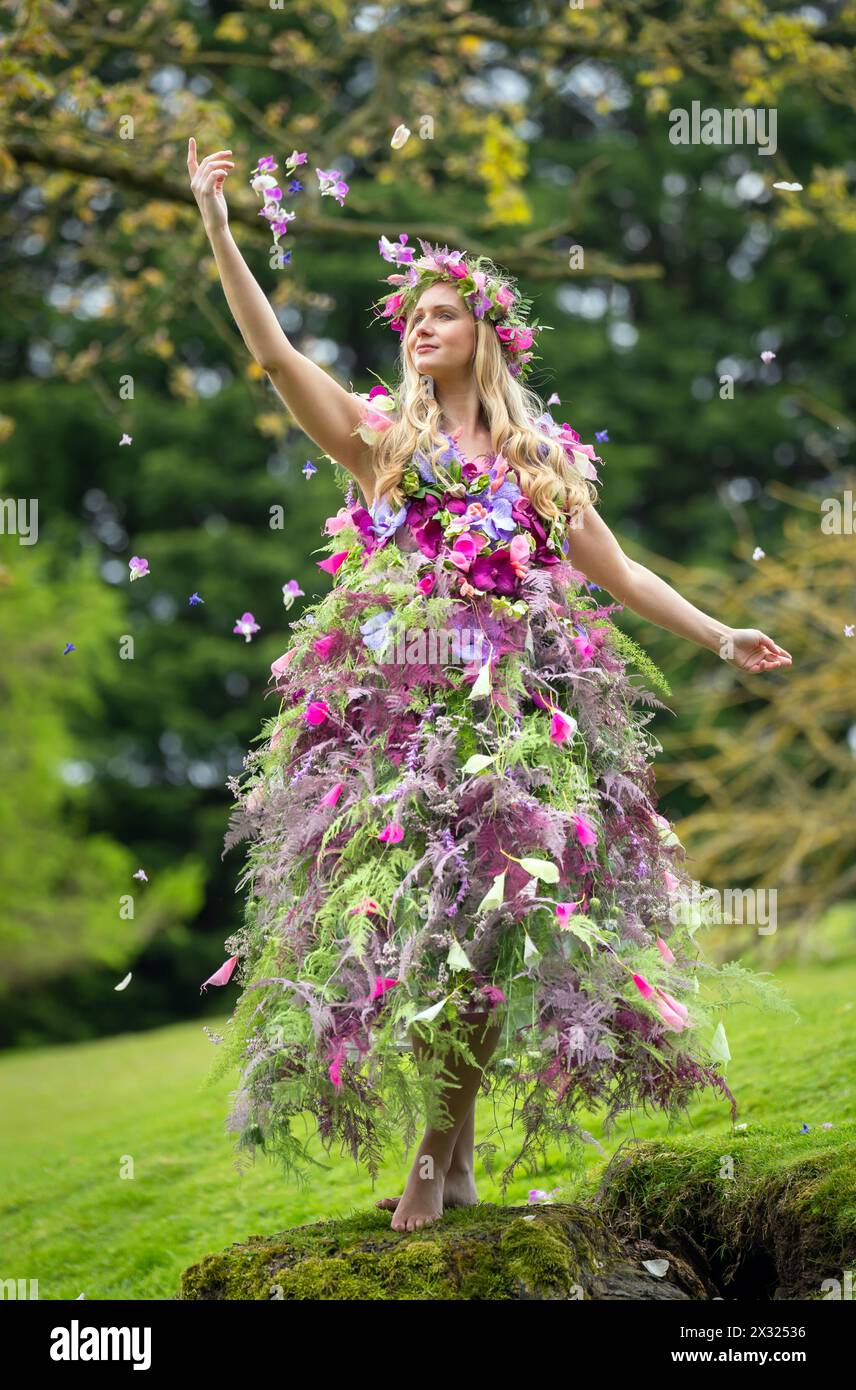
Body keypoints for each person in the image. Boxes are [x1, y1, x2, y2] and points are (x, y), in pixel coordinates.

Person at [188, 140, 793, 1233]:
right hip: (399, 718)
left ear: (485, 336)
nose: (417, 329)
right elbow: (278, 359)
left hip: (512, 713)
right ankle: (453, 1163)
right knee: (424, 926)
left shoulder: (538, 458)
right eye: (408, 317)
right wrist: (224, 233)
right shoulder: (383, 448)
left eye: (440, 316)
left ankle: (434, 1160)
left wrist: (715, 632)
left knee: (486, 917)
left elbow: (613, 569)